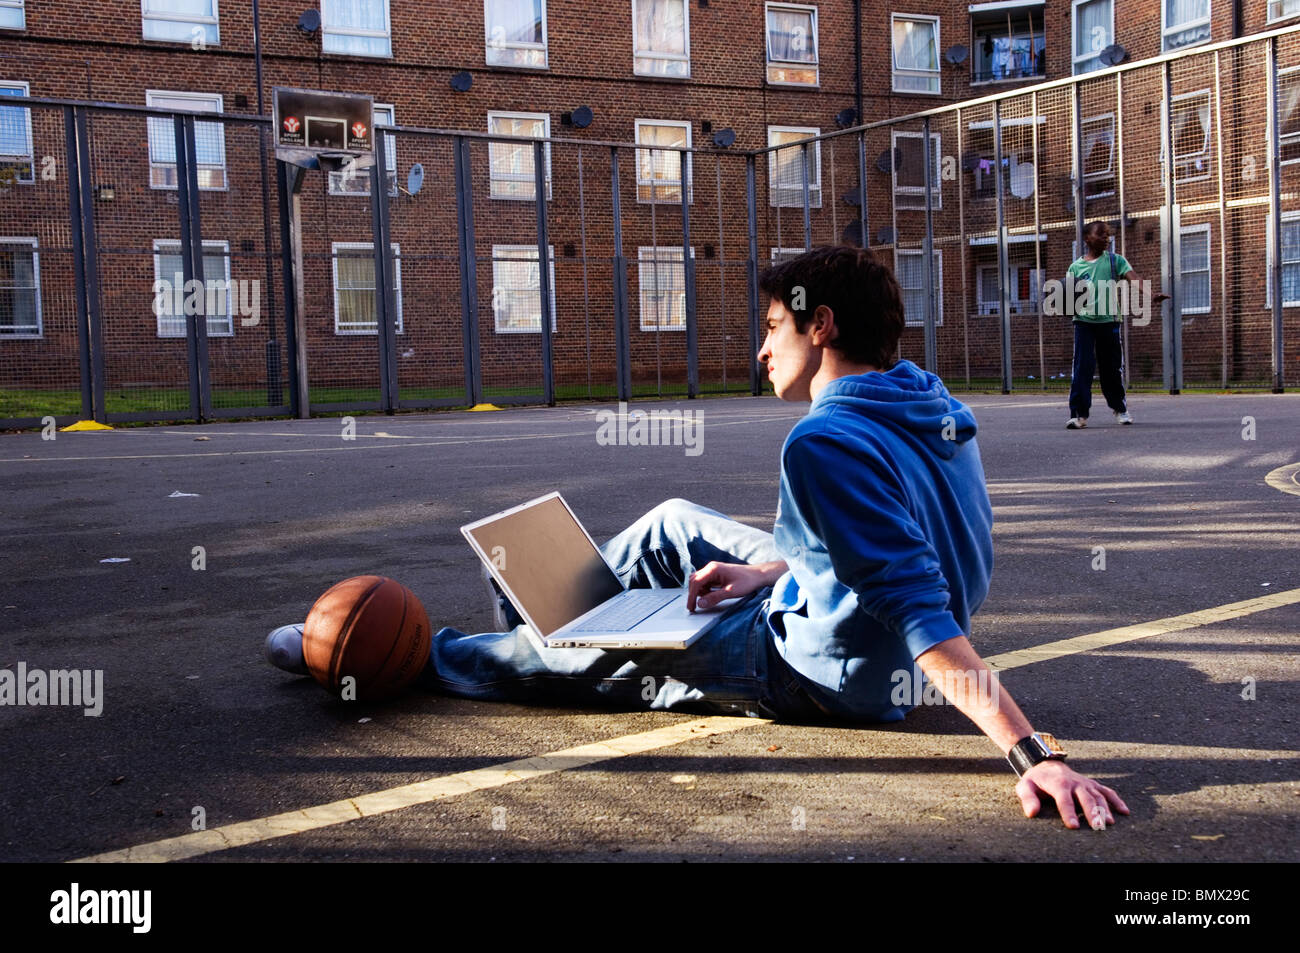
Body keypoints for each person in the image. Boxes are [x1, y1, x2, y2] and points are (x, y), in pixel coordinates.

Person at [267, 245, 1128, 829]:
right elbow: (894, 539)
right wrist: (770, 572)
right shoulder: (930, 397)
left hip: (822, 671)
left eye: (769, 327)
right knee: (676, 521)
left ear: (819, 324)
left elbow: (921, 613)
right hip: (830, 616)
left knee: (596, 661)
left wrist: (1035, 753)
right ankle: (570, 612)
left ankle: (416, 652)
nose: (760, 350)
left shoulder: (824, 440)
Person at [1064, 220, 1168, 430]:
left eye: (1108, 234)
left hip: (1109, 321)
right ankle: (1079, 415)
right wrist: (1063, 304)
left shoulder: (1115, 261)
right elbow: (1068, 298)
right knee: (1082, 368)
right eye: (1101, 234)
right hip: (1083, 323)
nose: (1106, 238)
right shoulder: (1076, 267)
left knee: (1111, 369)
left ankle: (1120, 410)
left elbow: (1134, 278)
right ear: (1087, 238)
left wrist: (1150, 294)